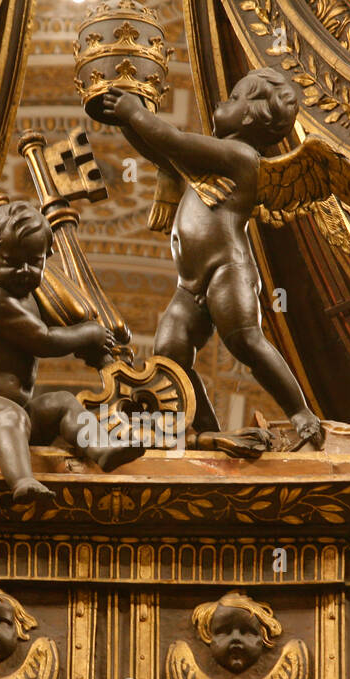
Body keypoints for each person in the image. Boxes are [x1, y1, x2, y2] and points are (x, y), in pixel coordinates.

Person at [101, 69, 329, 451]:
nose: (223, 101)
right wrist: (126, 116)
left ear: (249, 118)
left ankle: (300, 411)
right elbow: (160, 151)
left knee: (244, 340)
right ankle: (205, 427)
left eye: (234, 97)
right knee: (169, 354)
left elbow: (172, 139)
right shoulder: (206, 165)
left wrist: (133, 112)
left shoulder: (239, 156)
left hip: (228, 269)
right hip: (189, 284)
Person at [0, 201, 144, 503]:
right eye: (11, 261)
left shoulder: (29, 295)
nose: (24, 270)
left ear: (46, 257)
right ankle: (22, 481)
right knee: (8, 415)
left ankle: (102, 449)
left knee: (62, 402)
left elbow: (61, 319)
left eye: (34, 262)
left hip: (16, 413)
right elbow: (44, 341)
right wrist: (89, 332)